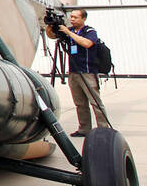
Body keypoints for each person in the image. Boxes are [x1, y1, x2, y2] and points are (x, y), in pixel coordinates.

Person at [46, 8, 110, 137]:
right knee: (80, 103)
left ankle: (104, 128)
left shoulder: (89, 31)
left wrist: (68, 33)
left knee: (95, 102)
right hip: (74, 73)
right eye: (72, 17)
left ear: (83, 19)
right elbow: (52, 36)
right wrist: (50, 26)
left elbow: (86, 43)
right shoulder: (69, 30)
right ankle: (84, 129)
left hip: (87, 72)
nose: (72, 19)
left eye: (76, 17)